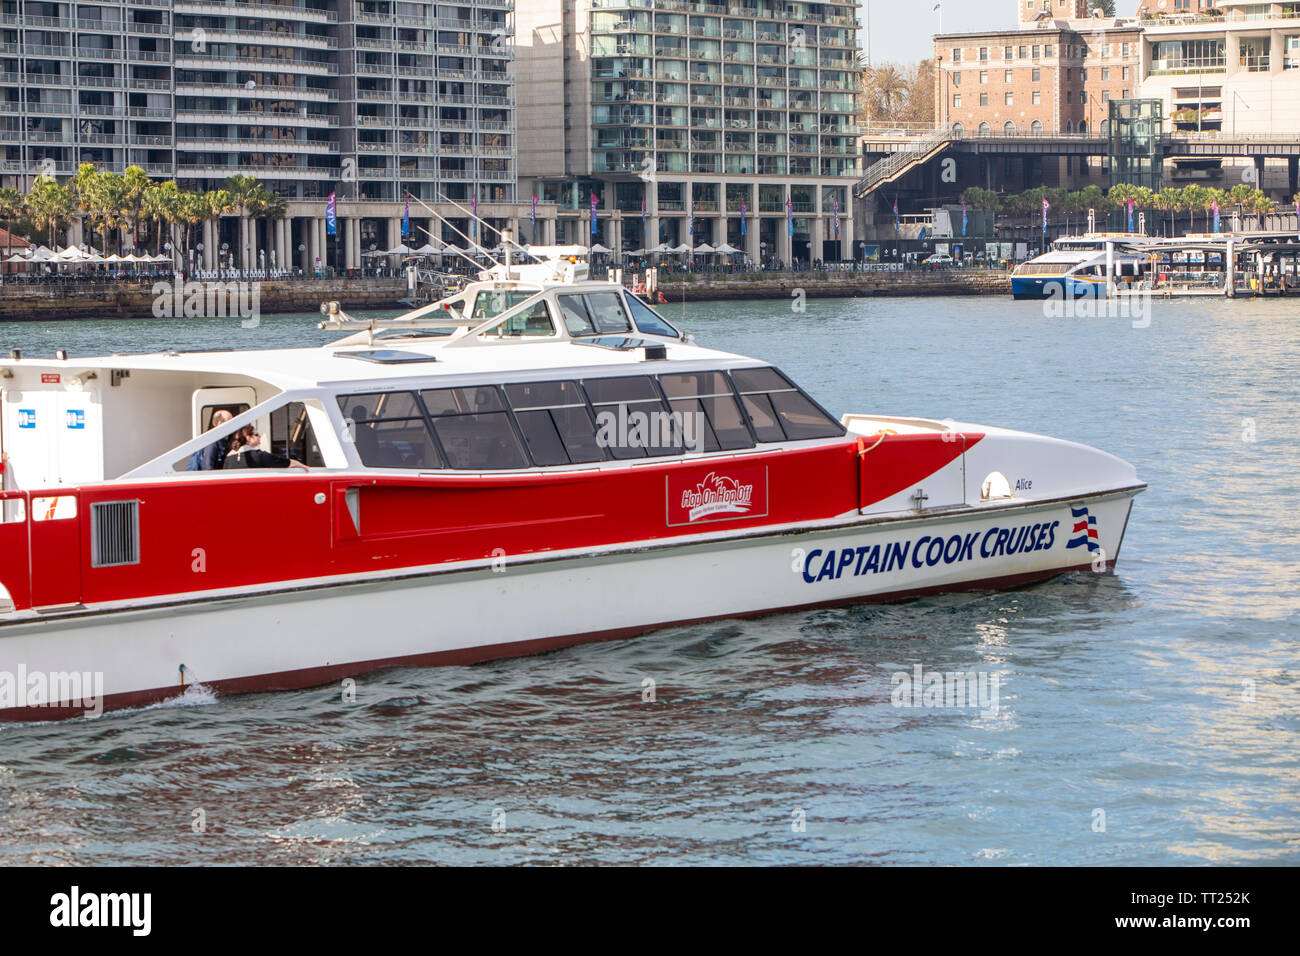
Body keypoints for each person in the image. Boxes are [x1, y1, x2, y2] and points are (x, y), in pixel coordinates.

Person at [222, 425, 308, 470]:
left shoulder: (229, 458)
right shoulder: (259, 456)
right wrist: (302, 465)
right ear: (248, 438)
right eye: (256, 435)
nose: (259, 437)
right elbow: (283, 462)